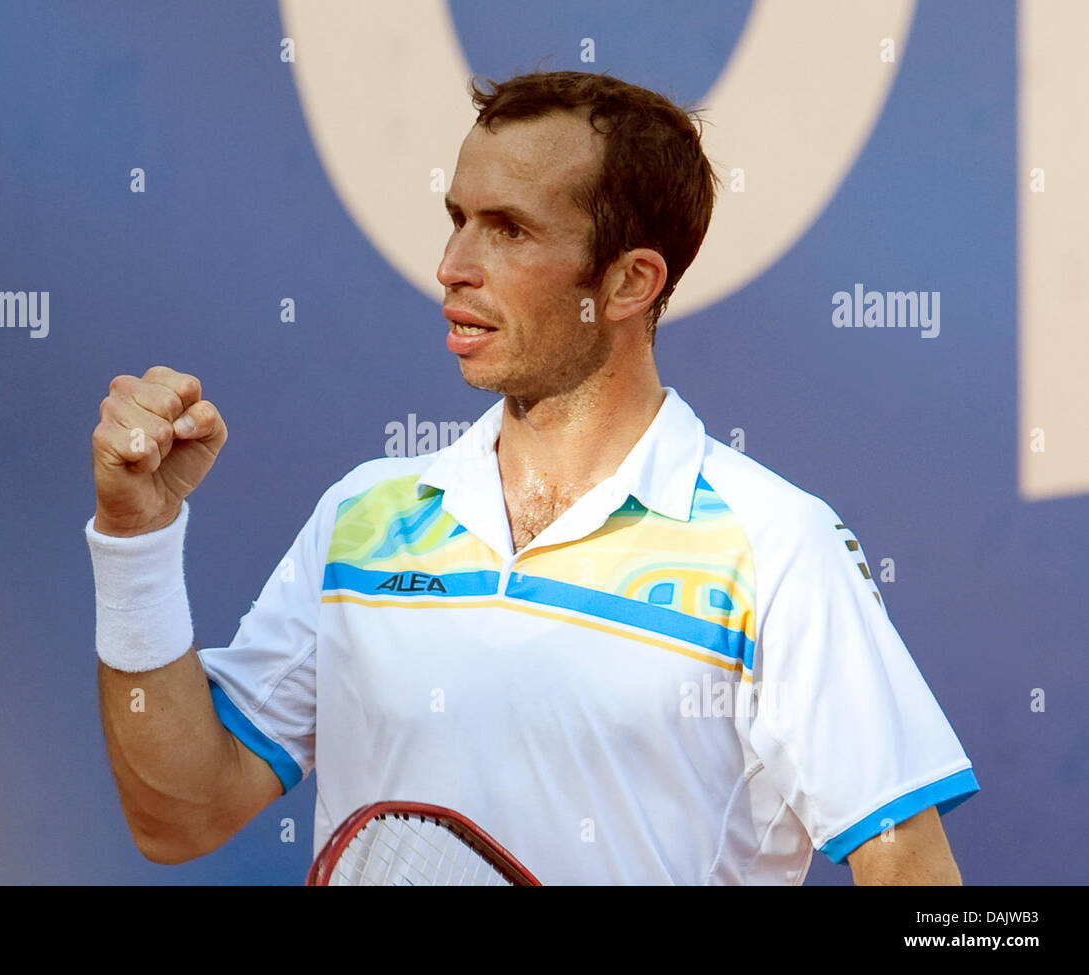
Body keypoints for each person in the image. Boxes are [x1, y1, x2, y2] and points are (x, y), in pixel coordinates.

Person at [86, 71, 977, 884]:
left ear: (630, 282)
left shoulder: (778, 546)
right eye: (457, 218)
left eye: (508, 229)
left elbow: (915, 879)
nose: (452, 266)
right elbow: (179, 813)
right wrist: (138, 541)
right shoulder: (363, 516)